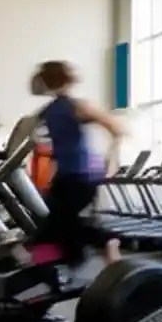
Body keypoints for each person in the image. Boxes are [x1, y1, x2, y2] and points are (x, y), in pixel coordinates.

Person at [33, 60, 125, 266]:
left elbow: (117, 128)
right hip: (66, 173)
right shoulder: (48, 111)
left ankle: (107, 241)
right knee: (55, 221)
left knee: (60, 219)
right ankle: (71, 259)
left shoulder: (77, 107)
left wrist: (112, 158)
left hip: (83, 173)